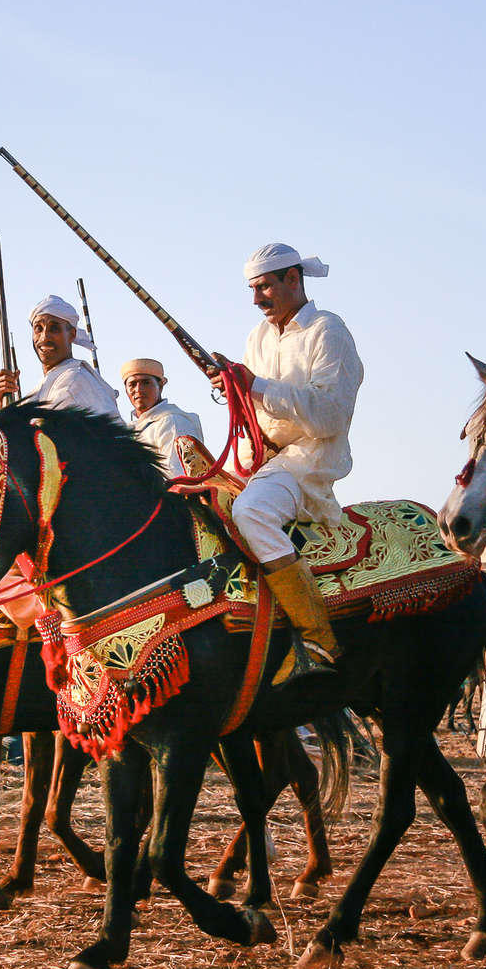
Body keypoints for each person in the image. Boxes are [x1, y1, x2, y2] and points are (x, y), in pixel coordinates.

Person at [209, 243, 364, 685]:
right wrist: (234, 387)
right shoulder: (257, 337)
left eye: (264, 287)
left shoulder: (328, 331)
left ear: (293, 280)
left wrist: (254, 385)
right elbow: (255, 405)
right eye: (252, 289)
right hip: (258, 458)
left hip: (308, 457)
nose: (256, 299)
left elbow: (330, 415)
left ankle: (319, 640)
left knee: (250, 512)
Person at [0, 295, 119, 416]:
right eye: (38, 328)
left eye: (54, 329)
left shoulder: (73, 381)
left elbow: (44, 434)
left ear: (72, 334)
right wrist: (4, 402)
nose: (45, 336)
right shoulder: (46, 385)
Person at [121, 357, 205, 479]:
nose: (138, 389)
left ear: (160, 386)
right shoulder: (129, 430)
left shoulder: (172, 421)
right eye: (132, 384)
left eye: (145, 382)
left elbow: (176, 476)